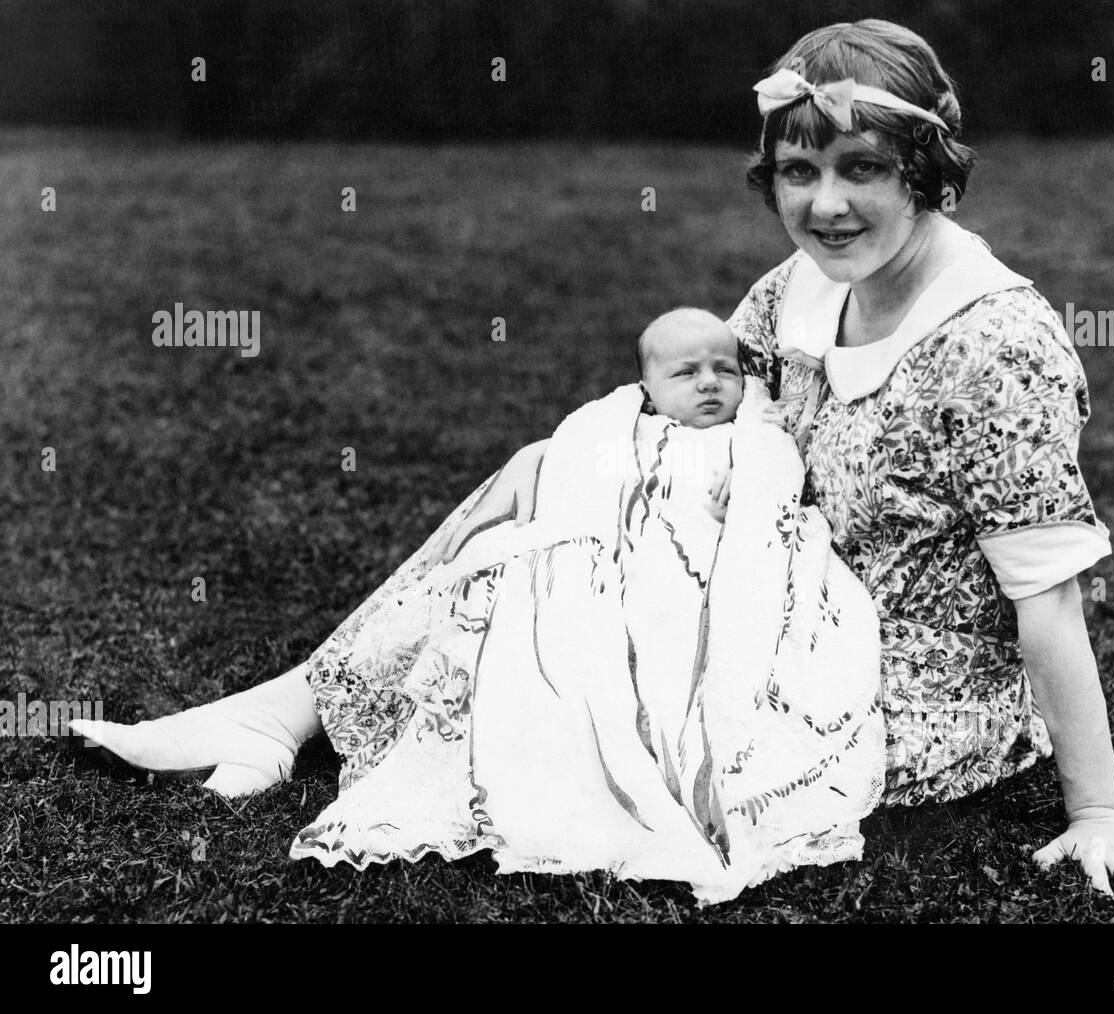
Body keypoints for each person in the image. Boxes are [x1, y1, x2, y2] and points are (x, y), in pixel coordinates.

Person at [429, 19, 1114, 901]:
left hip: (902, 686)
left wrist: (1097, 811)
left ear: (925, 169)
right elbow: (699, 416)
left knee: (584, 679)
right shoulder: (804, 283)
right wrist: (556, 457)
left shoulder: (998, 344)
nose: (825, 205)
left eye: (861, 167)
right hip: (769, 602)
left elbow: (1046, 593)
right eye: (799, 171)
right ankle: (293, 706)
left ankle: (312, 714)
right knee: (544, 543)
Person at [72, 303, 886, 905]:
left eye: (726, 370)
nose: (712, 383)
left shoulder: (752, 433)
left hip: (701, 586)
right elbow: (599, 468)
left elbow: (764, 504)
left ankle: (275, 721)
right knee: (500, 567)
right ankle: (273, 723)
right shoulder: (636, 417)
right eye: (687, 373)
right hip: (608, 550)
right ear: (644, 386)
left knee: (551, 610)